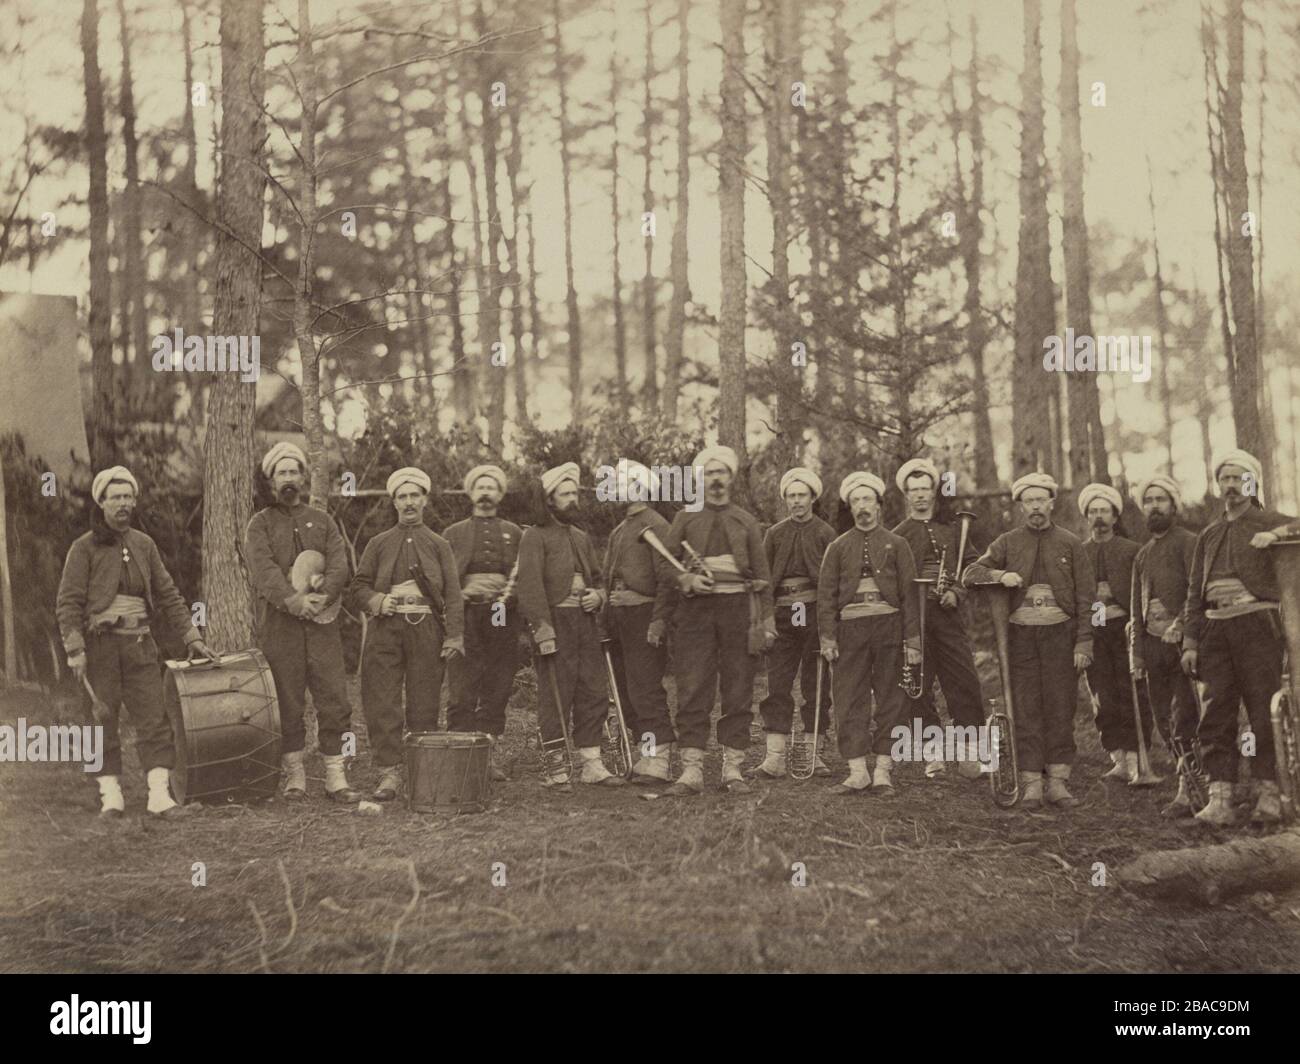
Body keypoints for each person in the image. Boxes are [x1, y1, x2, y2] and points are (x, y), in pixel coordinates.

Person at [56, 465, 215, 818]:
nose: (124, 504)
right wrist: (75, 648)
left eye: (128, 497)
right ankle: (110, 796)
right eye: (116, 498)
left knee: (154, 717)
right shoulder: (83, 548)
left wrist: (191, 635)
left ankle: (159, 796)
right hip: (100, 647)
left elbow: (168, 593)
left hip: (140, 645)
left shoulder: (144, 545)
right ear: (101, 502)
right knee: (101, 719)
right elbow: (68, 602)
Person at [1182, 450, 1300, 826]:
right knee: (1215, 712)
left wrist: (1276, 534)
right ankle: (1221, 798)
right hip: (1214, 628)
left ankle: (1269, 793)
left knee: (1263, 709)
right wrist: (1190, 642)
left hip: (1256, 625)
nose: (1231, 485)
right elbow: (1194, 593)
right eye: (1226, 479)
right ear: (1218, 485)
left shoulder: (1268, 520)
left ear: (1252, 483)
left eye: (1239, 478)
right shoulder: (1209, 534)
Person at [964, 473, 1095, 810]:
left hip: (1061, 636)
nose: (1036, 506)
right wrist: (1000, 575)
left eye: (1041, 500)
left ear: (1051, 503)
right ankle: (1032, 783)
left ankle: (1058, 783)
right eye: (1029, 501)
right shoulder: (1007, 542)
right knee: (1025, 707)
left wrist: (1084, 642)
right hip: (1021, 638)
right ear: (1021, 506)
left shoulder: (1070, 543)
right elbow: (970, 574)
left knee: (1060, 706)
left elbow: (1087, 597)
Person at [245, 442, 358, 802]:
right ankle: (295, 775)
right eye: (282, 473)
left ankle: (335, 775)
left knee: (334, 698)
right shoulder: (260, 525)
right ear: (271, 480)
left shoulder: (323, 522)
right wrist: (294, 602)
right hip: (281, 627)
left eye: (294, 471)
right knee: (286, 699)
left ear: (304, 478)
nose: (289, 478)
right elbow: (264, 572)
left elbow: (339, 563)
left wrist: (325, 596)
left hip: (323, 624)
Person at [661, 445, 775, 795]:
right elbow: (664, 563)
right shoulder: (685, 517)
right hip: (695, 613)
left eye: (721, 472)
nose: (715, 479)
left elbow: (763, 575)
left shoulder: (746, 520)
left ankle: (732, 769)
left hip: (739, 610)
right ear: (700, 479)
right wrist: (687, 580)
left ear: (731, 477)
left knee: (739, 688)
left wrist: (767, 621)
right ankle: (691, 770)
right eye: (709, 473)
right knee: (693, 685)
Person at [350, 467, 464, 801]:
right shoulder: (378, 543)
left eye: (415, 495)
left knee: (424, 700)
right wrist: (377, 601)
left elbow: (453, 594)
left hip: (427, 629)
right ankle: (389, 772)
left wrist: (454, 636)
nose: (409, 502)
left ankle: (422, 771)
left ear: (425, 500)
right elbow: (358, 587)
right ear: (394, 502)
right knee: (382, 700)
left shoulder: (440, 545)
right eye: (402, 496)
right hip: (385, 628)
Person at [516, 462, 622, 788]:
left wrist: (598, 596)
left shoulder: (581, 537)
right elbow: (529, 586)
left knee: (593, 690)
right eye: (565, 494)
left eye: (575, 493)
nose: (572, 499)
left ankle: (592, 763)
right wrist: (543, 629)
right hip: (556, 624)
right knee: (556, 696)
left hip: (585, 624)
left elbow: (598, 579)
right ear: (549, 500)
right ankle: (556, 767)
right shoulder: (534, 537)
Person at [817, 471, 921, 796]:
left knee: (893, 697)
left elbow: (910, 595)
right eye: (856, 501)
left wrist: (913, 641)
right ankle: (858, 772)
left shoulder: (898, 544)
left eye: (867, 499)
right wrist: (828, 637)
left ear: (878, 504)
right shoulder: (837, 547)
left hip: (889, 626)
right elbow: (826, 596)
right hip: (850, 630)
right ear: (849, 507)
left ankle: (884, 772)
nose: (862, 506)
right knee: (849, 697)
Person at [890, 457, 984, 780]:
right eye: (913, 490)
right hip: (914, 619)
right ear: (906, 495)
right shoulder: (898, 535)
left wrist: (957, 591)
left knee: (964, 681)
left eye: (925, 489)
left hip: (948, 616)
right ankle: (933, 754)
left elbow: (973, 566)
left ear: (934, 491)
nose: (920, 495)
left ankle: (970, 754)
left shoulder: (953, 529)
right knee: (917, 686)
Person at [751, 466, 835, 779]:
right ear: (785, 499)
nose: (797, 501)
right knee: (778, 684)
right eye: (791, 496)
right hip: (783, 616)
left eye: (802, 495)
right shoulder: (774, 534)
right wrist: (766, 620)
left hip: (814, 613)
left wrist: (829, 624)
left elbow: (834, 581)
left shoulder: (826, 533)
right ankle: (774, 757)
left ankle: (814, 754)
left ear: (812, 498)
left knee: (817, 685)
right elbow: (762, 581)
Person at [600, 459, 678, 783]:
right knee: (625, 690)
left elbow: (668, 580)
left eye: (628, 483)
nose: (621, 489)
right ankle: (644, 755)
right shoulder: (619, 530)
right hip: (618, 619)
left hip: (644, 617)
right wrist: (605, 621)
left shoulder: (656, 525)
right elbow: (607, 580)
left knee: (645, 688)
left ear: (643, 488)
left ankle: (659, 761)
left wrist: (658, 623)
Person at [1128, 475, 1200, 817]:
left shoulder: (1189, 543)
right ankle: (1189, 778)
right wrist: (1137, 653)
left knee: (1185, 714)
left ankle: (1192, 788)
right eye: (1148, 500)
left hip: (1182, 645)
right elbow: (1135, 608)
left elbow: (1197, 591)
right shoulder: (1142, 555)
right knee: (1162, 719)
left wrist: (1182, 626)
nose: (1154, 506)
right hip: (1153, 646)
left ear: (1174, 505)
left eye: (1161, 499)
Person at [445, 464, 522, 780]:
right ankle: (460, 759)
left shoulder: (514, 533)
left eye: (492, 488)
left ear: (500, 495)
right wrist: (457, 599)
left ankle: (486, 757)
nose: (486, 493)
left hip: (502, 611)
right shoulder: (454, 533)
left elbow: (522, 574)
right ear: (471, 493)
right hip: (466, 612)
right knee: (462, 682)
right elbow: (444, 577)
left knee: (498, 680)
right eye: (480, 487)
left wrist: (506, 599)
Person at [1076, 482, 1151, 783]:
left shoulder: (1132, 551)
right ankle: (1118, 757)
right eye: (1093, 511)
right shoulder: (1079, 552)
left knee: (1131, 691)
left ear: (1115, 516)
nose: (1099, 517)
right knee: (1102, 694)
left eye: (1104, 511)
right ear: (1087, 516)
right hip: (1094, 631)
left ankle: (1137, 757)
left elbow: (1144, 593)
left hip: (1126, 629)